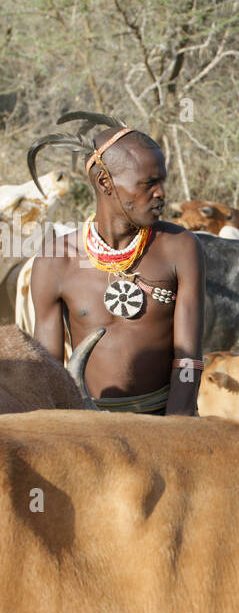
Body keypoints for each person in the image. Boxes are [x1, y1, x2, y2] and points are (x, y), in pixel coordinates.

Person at [30, 112, 205, 415]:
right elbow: (48, 373)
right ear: (104, 182)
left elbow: (188, 359)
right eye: (148, 183)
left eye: (162, 181)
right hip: (90, 425)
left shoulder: (180, 248)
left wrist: (176, 429)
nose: (161, 193)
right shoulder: (55, 261)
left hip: (167, 416)